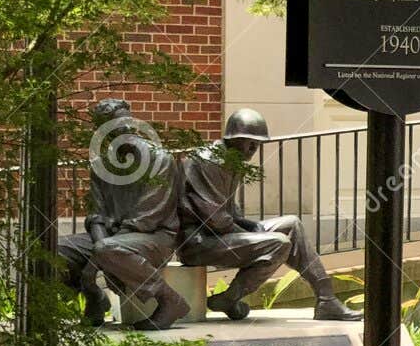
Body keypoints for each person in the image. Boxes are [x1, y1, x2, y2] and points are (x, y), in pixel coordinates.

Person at [179, 108, 361, 322]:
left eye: (258, 144)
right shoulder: (208, 161)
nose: (254, 148)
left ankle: (326, 299)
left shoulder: (232, 161)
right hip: (199, 243)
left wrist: (251, 226)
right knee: (278, 243)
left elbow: (231, 213)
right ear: (234, 138)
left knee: (291, 224)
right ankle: (230, 298)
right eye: (250, 142)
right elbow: (216, 220)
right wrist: (255, 236)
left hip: (221, 235)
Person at [58, 98, 189, 330]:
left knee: (106, 250)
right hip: (109, 237)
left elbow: (147, 218)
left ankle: (170, 300)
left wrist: (101, 255)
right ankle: (94, 298)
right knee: (55, 250)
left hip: (154, 237)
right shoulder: (101, 164)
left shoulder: (161, 160)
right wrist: (101, 250)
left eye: (126, 123)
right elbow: (97, 214)